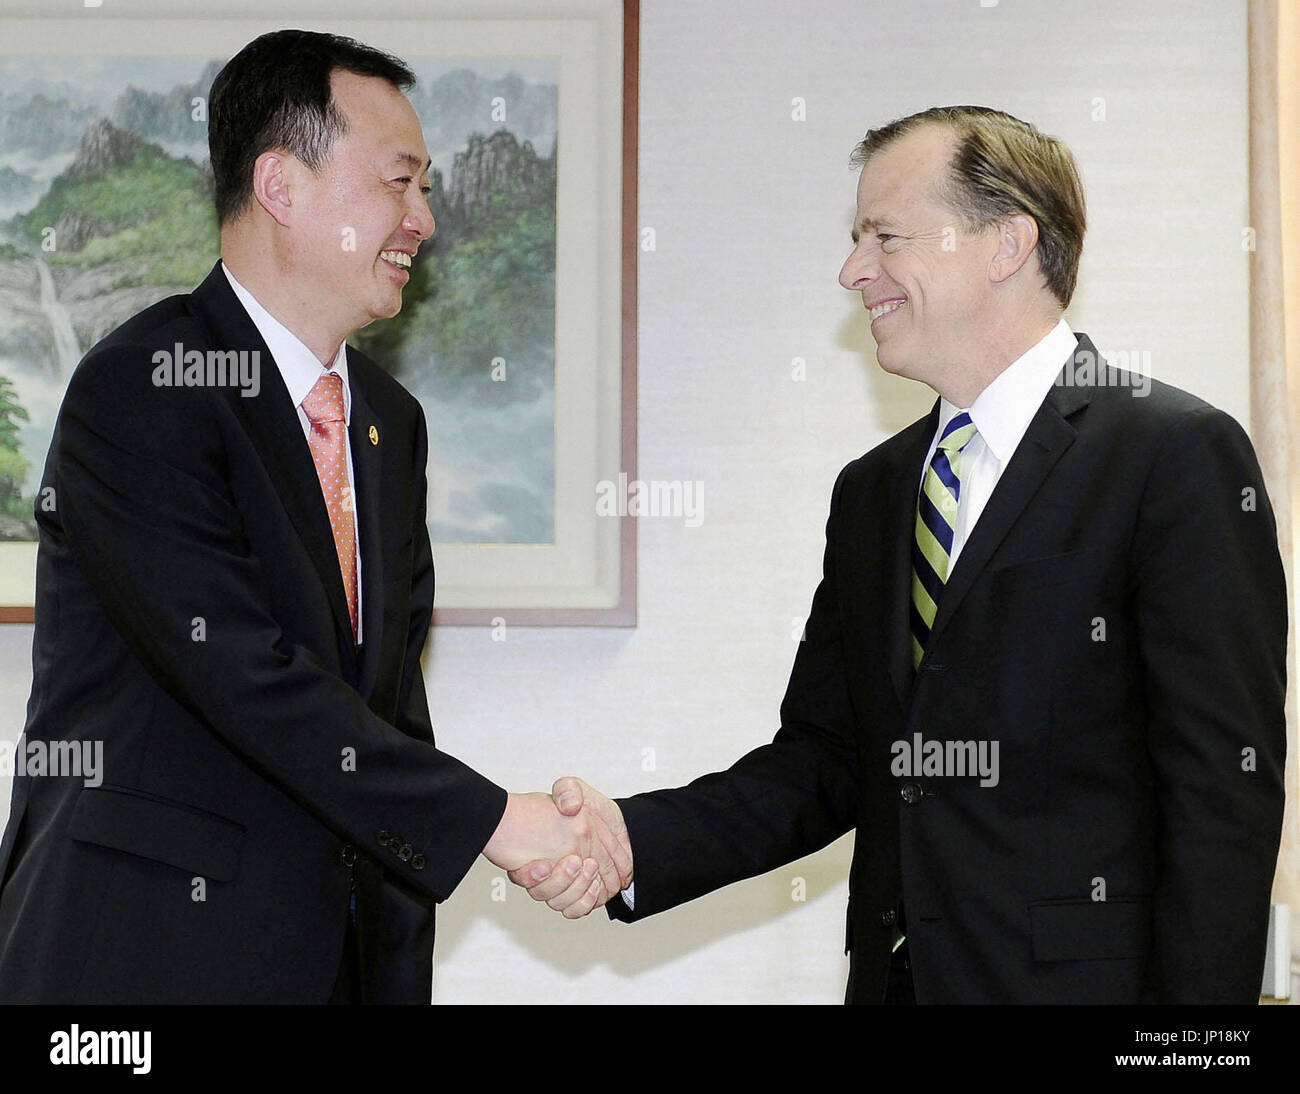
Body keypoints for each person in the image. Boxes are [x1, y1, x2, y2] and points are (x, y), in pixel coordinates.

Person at [520, 106, 1288, 1004]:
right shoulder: (874, 491)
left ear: (1007, 243)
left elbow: (1222, 796)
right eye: (856, 241)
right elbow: (828, 760)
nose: (853, 272)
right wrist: (628, 843)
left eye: (885, 237)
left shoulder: (1171, 455)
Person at [0, 29, 630, 1005]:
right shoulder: (146, 385)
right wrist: (497, 820)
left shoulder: (389, 421)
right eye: (399, 181)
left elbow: (388, 711)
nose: (424, 218)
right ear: (282, 187)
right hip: (144, 957)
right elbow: (241, 673)